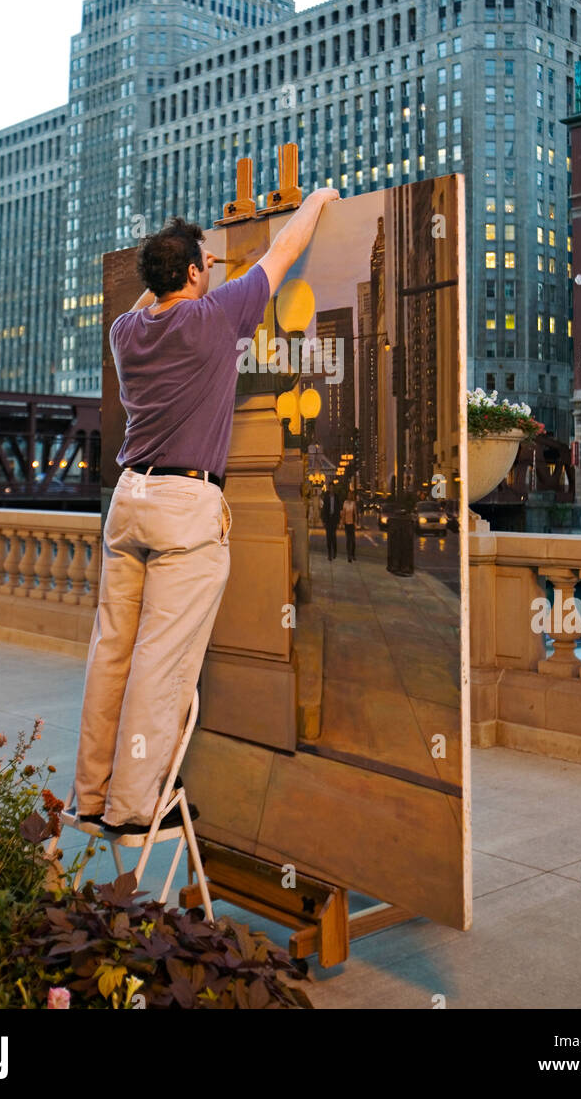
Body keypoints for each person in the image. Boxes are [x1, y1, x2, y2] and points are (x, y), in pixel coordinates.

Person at [74, 186, 340, 835]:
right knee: (160, 664)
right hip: (183, 506)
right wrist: (322, 197)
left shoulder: (125, 331)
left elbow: (150, 299)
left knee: (112, 650)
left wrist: (184, 268)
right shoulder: (216, 318)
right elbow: (282, 249)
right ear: (195, 272)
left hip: (128, 502)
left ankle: (90, 792)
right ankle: (137, 804)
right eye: (200, 264)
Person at [321, 481, 341, 561]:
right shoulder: (326, 497)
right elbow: (324, 509)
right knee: (328, 537)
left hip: (334, 519)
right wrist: (324, 520)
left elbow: (338, 509)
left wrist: (338, 521)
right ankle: (329, 554)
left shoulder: (336, 497)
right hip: (328, 519)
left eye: (333, 488)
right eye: (330, 488)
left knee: (333, 537)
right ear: (329, 488)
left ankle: (334, 552)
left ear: (334, 488)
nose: (331, 489)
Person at [341, 490, 358, 562]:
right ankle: (349, 556)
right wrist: (342, 522)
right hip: (346, 524)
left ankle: (353, 554)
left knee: (353, 540)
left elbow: (355, 513)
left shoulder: (353, 503)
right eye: (348, 495)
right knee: (348, 540)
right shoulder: (345, 503)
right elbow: (343, 513)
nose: (349, 496)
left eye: (350, 495)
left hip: (352, 524)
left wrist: (355, 523)